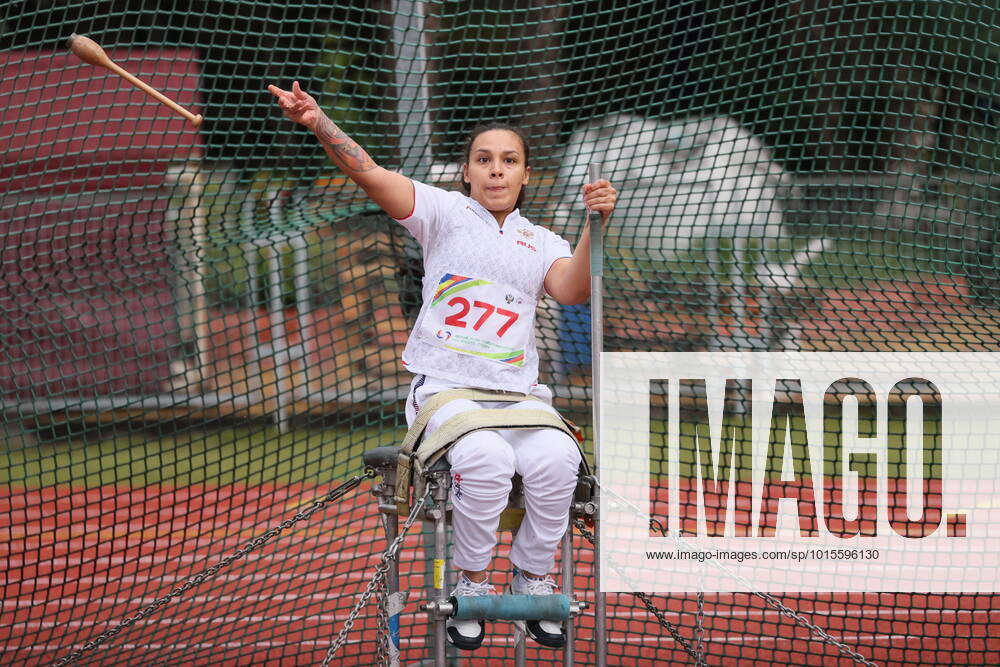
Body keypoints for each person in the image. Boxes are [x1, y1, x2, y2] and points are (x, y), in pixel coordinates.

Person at [268, 81, 617, 651]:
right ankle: (473, 583)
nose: (497, 171)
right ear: (467, 171)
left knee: (558, 459)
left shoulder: (541, 239)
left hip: (518, 396)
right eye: (485, 160)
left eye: (509, 161)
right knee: (485, 458)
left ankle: (532, 579)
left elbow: (573, 288)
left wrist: (594, 224)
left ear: (525, 175)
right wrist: (319, 122)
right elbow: (368, 173)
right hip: (448, 393)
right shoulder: (442, 212)